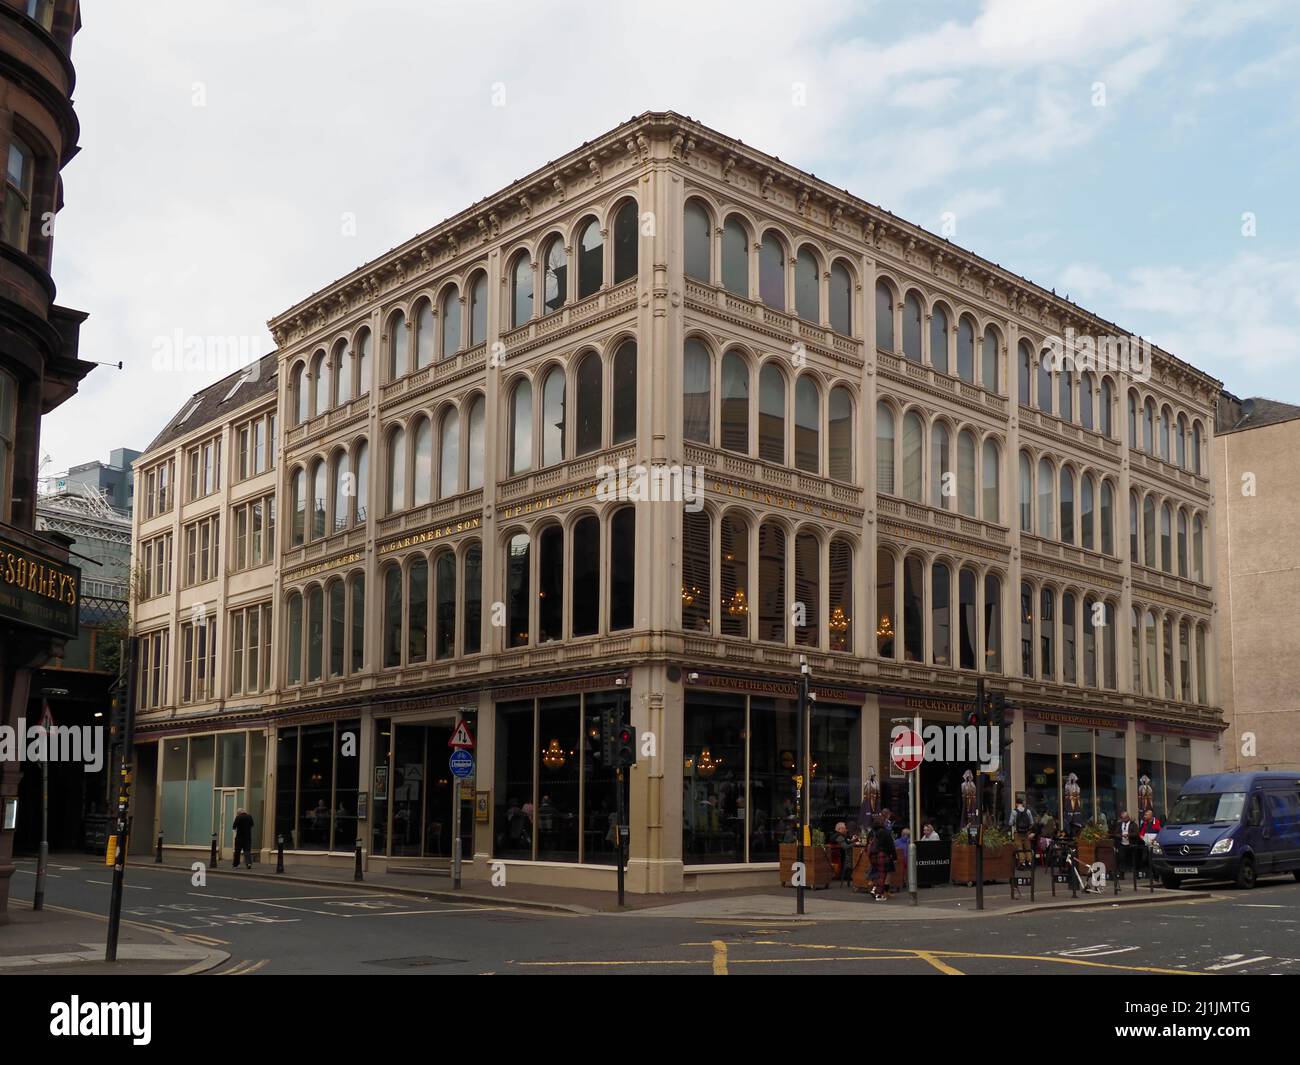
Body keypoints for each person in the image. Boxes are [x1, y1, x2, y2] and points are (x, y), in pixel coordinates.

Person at [867, 816, 896, 901]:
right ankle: (879, 894)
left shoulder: (871, 832)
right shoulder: (884, 832)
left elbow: (868, 844)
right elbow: (891, 845)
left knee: (876, 874)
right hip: (882, 855)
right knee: (882, 875)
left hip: (872, 856)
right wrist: (894, 856)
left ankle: (873, 890)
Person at [1113, 809, 1141, 874]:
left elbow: (1136, 833)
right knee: (1121, 857)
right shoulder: (1119, 824)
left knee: (1132, 858)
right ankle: (1122, 872)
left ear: (1128, 817)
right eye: (1122, 818)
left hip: (1131, 843)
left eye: (1125, 818)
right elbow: (1116, 833)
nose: (1123, 820)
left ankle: (1134, 871)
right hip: (1122, 843)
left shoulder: (1133, 824)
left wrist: (1129, 835)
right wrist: (1120, 835)